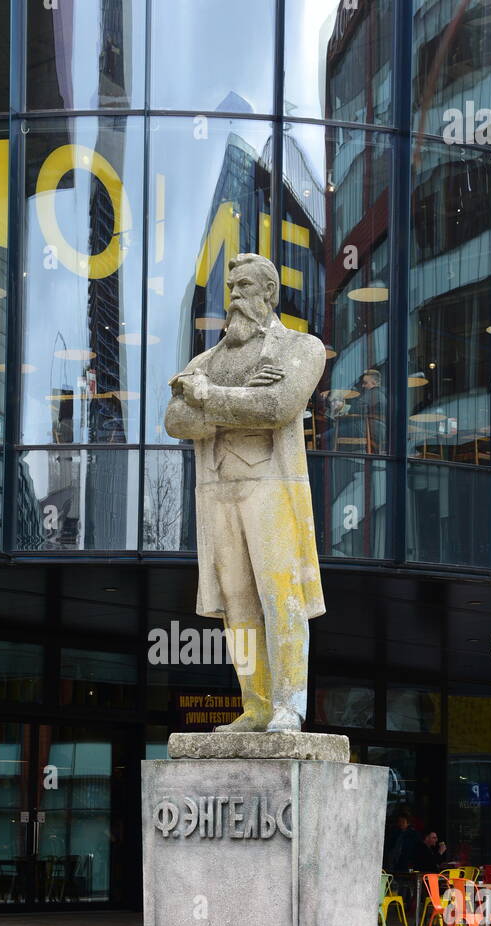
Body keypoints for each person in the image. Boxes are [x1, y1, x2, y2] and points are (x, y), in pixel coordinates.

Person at [165, 252, 326, 733]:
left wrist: (207, 397)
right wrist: (237, 402)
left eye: (244, 286)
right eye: (231, 286)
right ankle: (256, 706)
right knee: (237, 602)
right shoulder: (205, 360)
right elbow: (176, 421)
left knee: (280, 595)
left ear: (269, 292)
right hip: (219, 491)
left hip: (270, 487)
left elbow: (278, 407)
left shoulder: (300, 348)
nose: (234, 296)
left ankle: (289, 704)